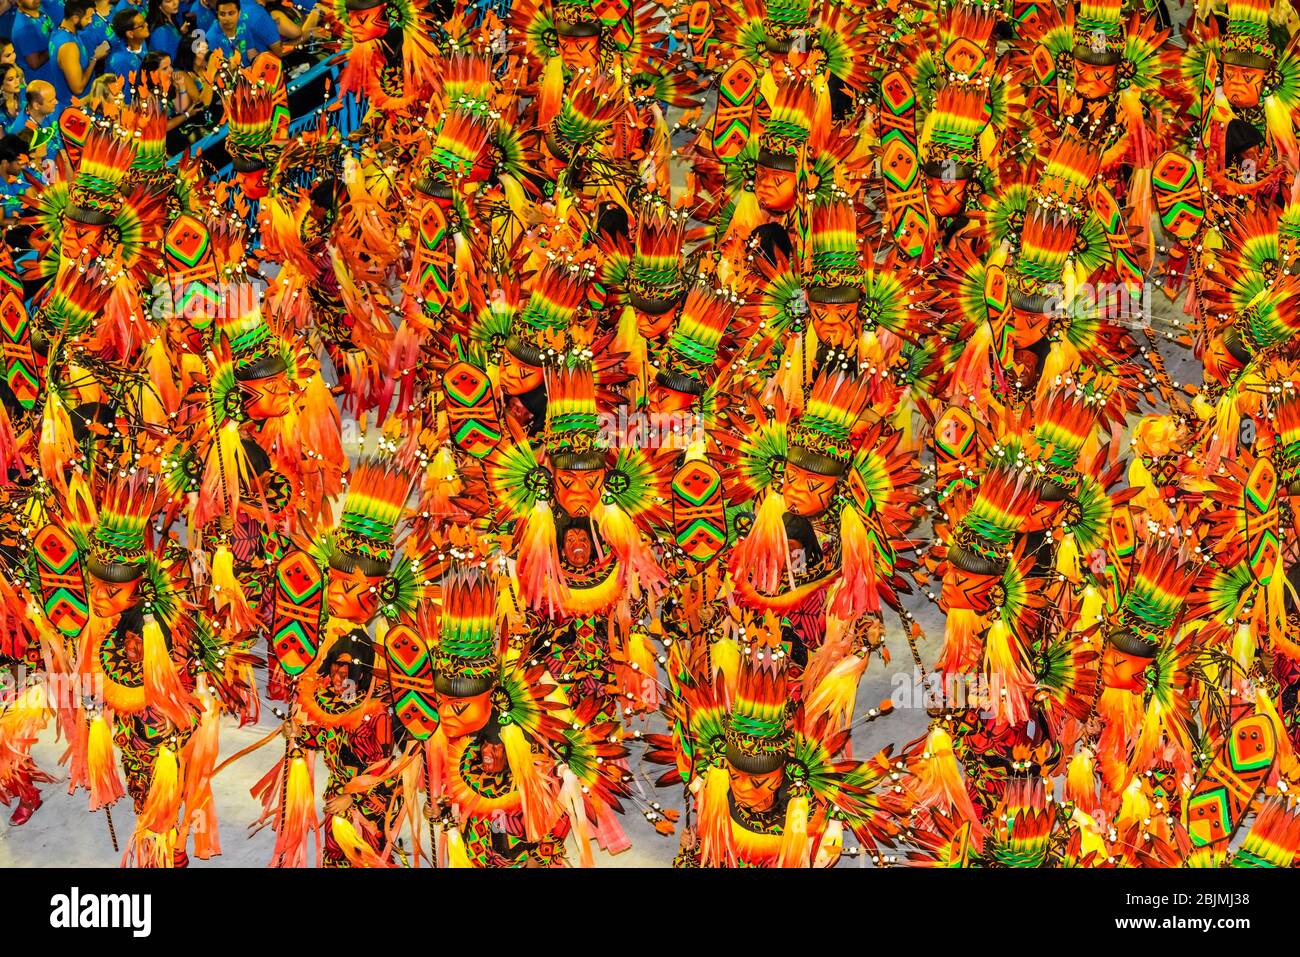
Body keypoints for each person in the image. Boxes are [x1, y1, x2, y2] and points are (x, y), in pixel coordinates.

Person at [51, 0, 110, 107]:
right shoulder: (69, 47)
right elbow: (77, 88)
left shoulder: (62, 31)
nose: (90, 21)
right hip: (76, 108)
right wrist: (95, 59)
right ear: (75, 19)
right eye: (87, 18)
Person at [208, 0, 279, 61]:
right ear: (217, 14)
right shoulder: (211, 38)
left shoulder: (242, 24)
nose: (227, 18)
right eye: (222, 14)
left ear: (239, 13)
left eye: (231, 13)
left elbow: (251, 52)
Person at [11, 0, 57, 86]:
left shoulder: (38, 9)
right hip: (43, 84)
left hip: (55, 76)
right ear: (18, 1)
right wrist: (56, 44)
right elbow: (34, 63)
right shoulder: (24, 29)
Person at [105, 6, 144, 95]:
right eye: (142, 26)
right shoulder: (120, 60)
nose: (147, 26)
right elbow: (126, 97)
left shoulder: (141, 41)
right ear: (130, 34)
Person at [0, 62, 24, 132]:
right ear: (1, 85)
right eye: (11, 79)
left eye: (17, 76)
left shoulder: (25, 95)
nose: (17, 81)